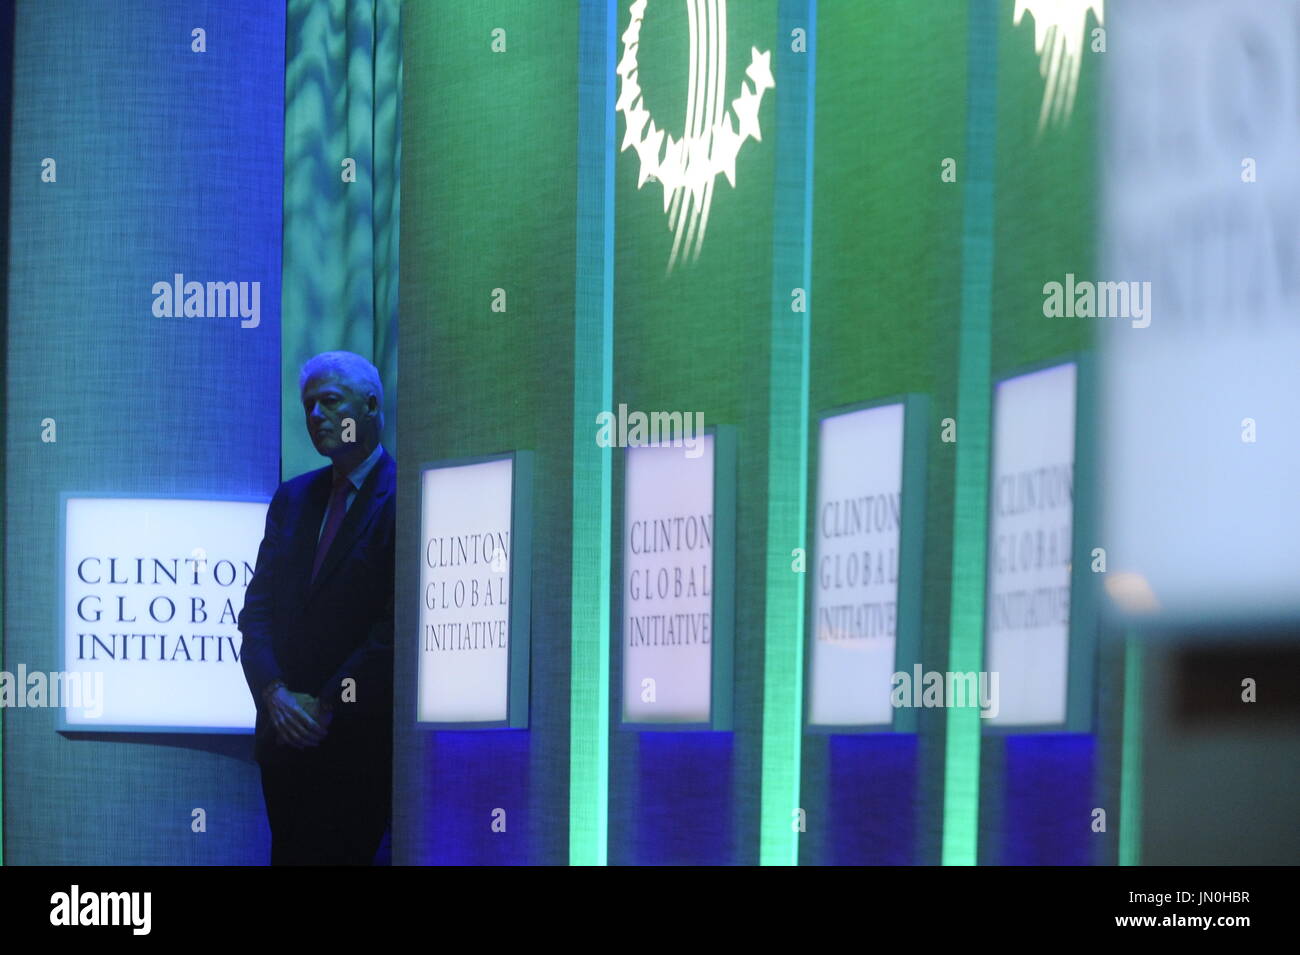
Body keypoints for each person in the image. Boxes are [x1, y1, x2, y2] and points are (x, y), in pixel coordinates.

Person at [238, 350, 395, 865]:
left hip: (357, 746)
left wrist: (326, 705)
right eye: (308, 407)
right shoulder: (292, 499)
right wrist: (275, 695)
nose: (315, 417)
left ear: (371, 405)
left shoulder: (405, 496)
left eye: (329, 402)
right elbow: (255, 614)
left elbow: (393, 628)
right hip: (284, 744)